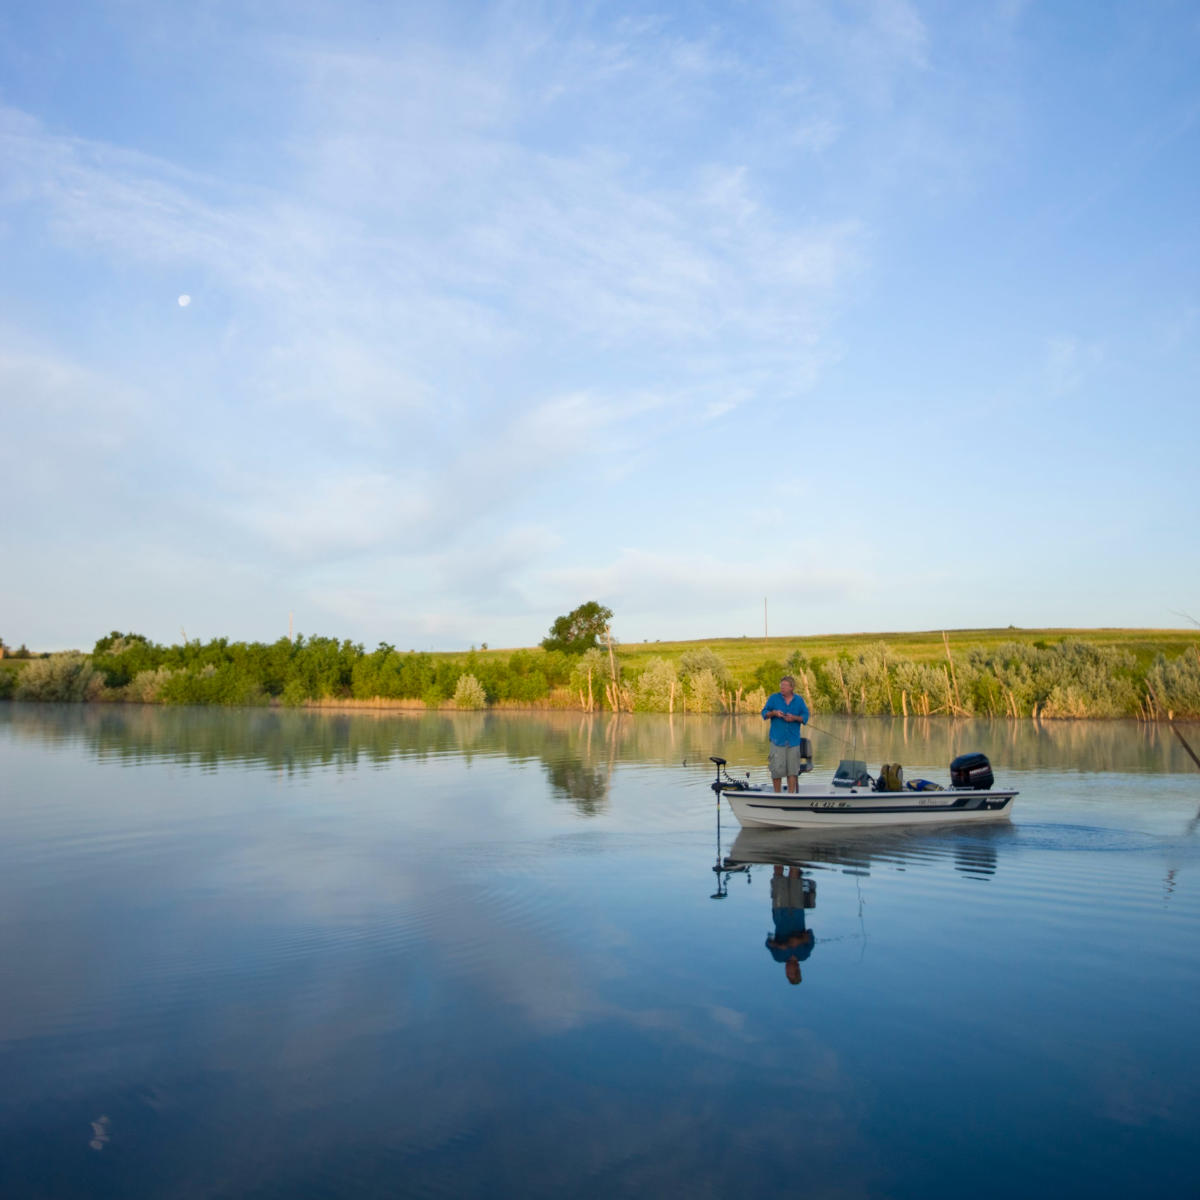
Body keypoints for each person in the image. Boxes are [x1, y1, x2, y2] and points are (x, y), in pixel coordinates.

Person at [765, 865, 815, 985]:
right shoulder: (804, 954)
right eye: (790, 973)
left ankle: (778, 856)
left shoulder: (778, 957)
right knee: (794, 878)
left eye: (787, 973)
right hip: (797, 911)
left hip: (779, 911)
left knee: (778, 876)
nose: (787, 970)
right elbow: (810, 935)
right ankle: (793, 857)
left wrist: (778, 945)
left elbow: (768, 941)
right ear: (797, 970)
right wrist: (799, 940)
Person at [761, 674, 810, 793]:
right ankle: (777, 795)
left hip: (793, 741)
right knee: (776, 770)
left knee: (792, 771)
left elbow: (805, 716)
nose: (782, 688)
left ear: (791, 688)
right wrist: (773, 713)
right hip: (777, 741)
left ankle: (791, 795)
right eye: (781, 685)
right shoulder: (774, 698)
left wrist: (794, 718)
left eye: (784, 686)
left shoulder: (799, 700)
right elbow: (764, 713)